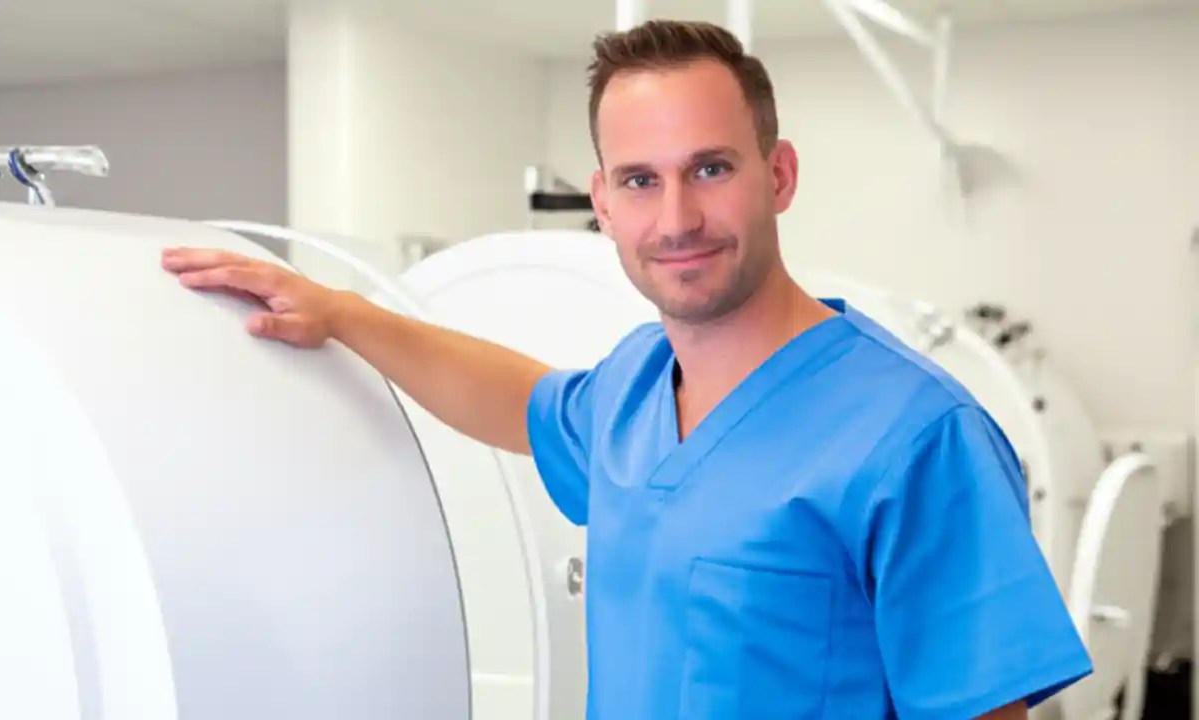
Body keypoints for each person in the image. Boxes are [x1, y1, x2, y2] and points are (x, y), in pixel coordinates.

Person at [162, 19, 1092, 720]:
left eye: (712, 169)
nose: (676, 217)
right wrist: (344, 312)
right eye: (641, 180)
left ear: (780, 176)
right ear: (603, 202)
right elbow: (514, 397)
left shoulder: (917, 437)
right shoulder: (636, 387)